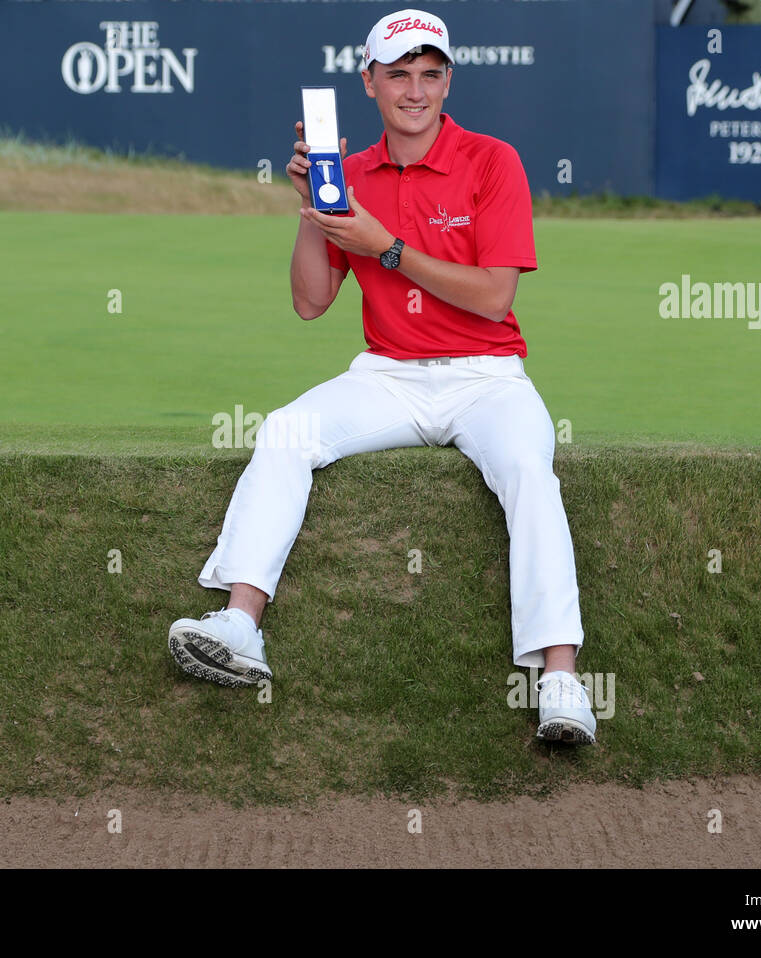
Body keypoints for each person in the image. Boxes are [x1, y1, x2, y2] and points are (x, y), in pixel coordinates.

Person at [167, 9, 597, 744]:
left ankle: (561, 682)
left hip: (488, 375)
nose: (416, 90)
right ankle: (241, 626)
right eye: (399, 74)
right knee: (285, 431)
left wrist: (386, 246)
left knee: (530, 465)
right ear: (369, 82)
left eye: (431, 74)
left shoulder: (493, 160)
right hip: (388, 375)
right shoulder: (353, 172)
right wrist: (314, 210)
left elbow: (494, 297)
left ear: (448, 80)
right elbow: (310, 303)